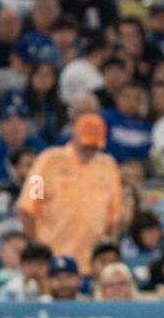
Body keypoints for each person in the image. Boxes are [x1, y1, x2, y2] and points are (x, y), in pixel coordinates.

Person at [16, 113, 122, 273]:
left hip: (93, 264)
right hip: (53, 262)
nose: (90, 148)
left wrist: (107, 256)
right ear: (75, 134)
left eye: (94, 144)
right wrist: (37, 250)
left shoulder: (108, 166)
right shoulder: (48, 160)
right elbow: (28, 207)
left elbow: (114, 217)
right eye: (87, 142)